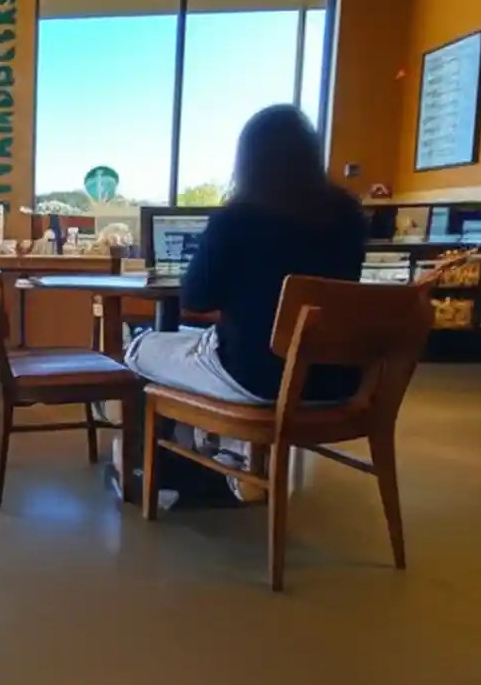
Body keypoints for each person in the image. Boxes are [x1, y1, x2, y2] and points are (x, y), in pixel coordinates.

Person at [125, 105, 366, 501]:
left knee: (142, 347)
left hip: (260, 380)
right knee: (213, 345)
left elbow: (197, 297)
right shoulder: (349, 217)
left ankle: (158, 471)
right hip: (337, 381)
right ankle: (231, 458)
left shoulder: (236, 220)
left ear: (248, 162)